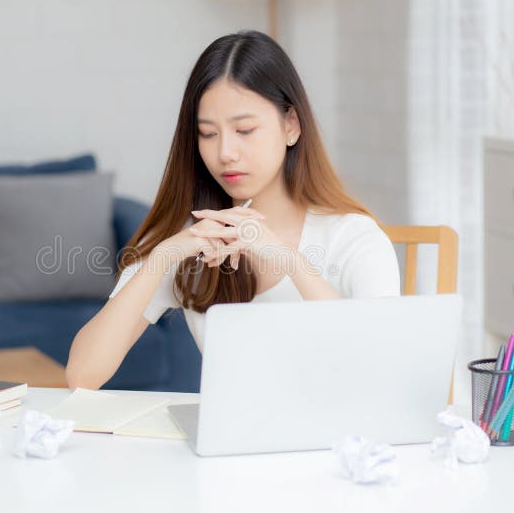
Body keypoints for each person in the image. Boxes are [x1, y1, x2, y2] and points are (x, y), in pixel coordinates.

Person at [66, 30, 400, 389]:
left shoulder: (353, 238)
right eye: (208, 134)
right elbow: (82, 375)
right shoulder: (194, 241)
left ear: (291, 125)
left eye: (244, 129)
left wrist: (288, 260)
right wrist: (163, 254)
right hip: (232, 442)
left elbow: (380, 372)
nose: (225, 152)